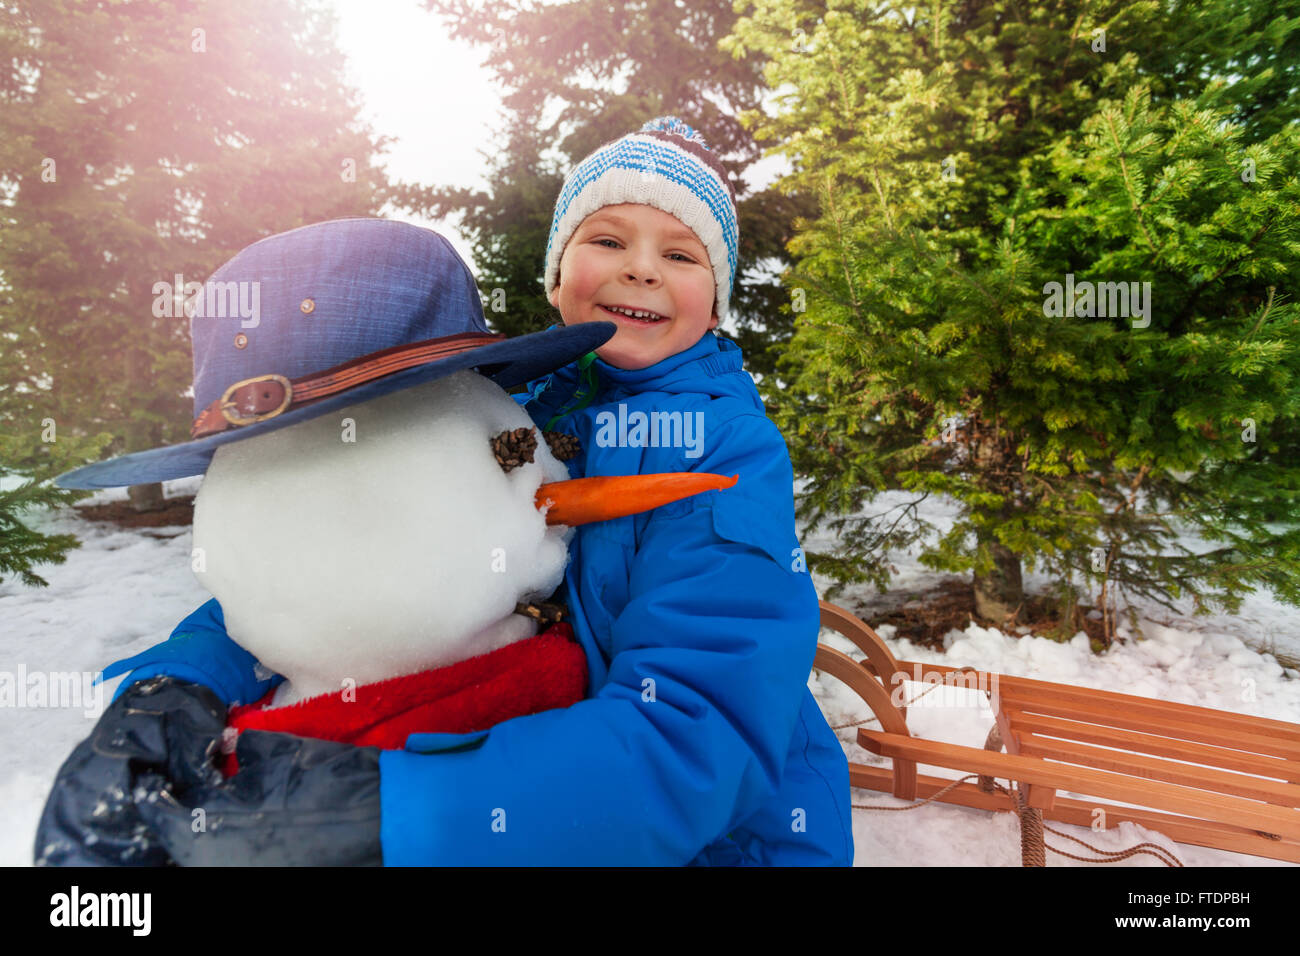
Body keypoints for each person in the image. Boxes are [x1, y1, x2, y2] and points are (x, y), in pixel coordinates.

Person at [39, 118, 854, 866]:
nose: (644, 266)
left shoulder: (728, 449)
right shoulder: (505, 410)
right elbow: (329, 565)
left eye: (682, 255)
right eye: (609, 238)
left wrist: (385, 813)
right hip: (524, 791)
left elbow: (699, 730)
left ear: (717, 303)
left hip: (720, 839)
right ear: (557, 272)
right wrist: (180, 683)